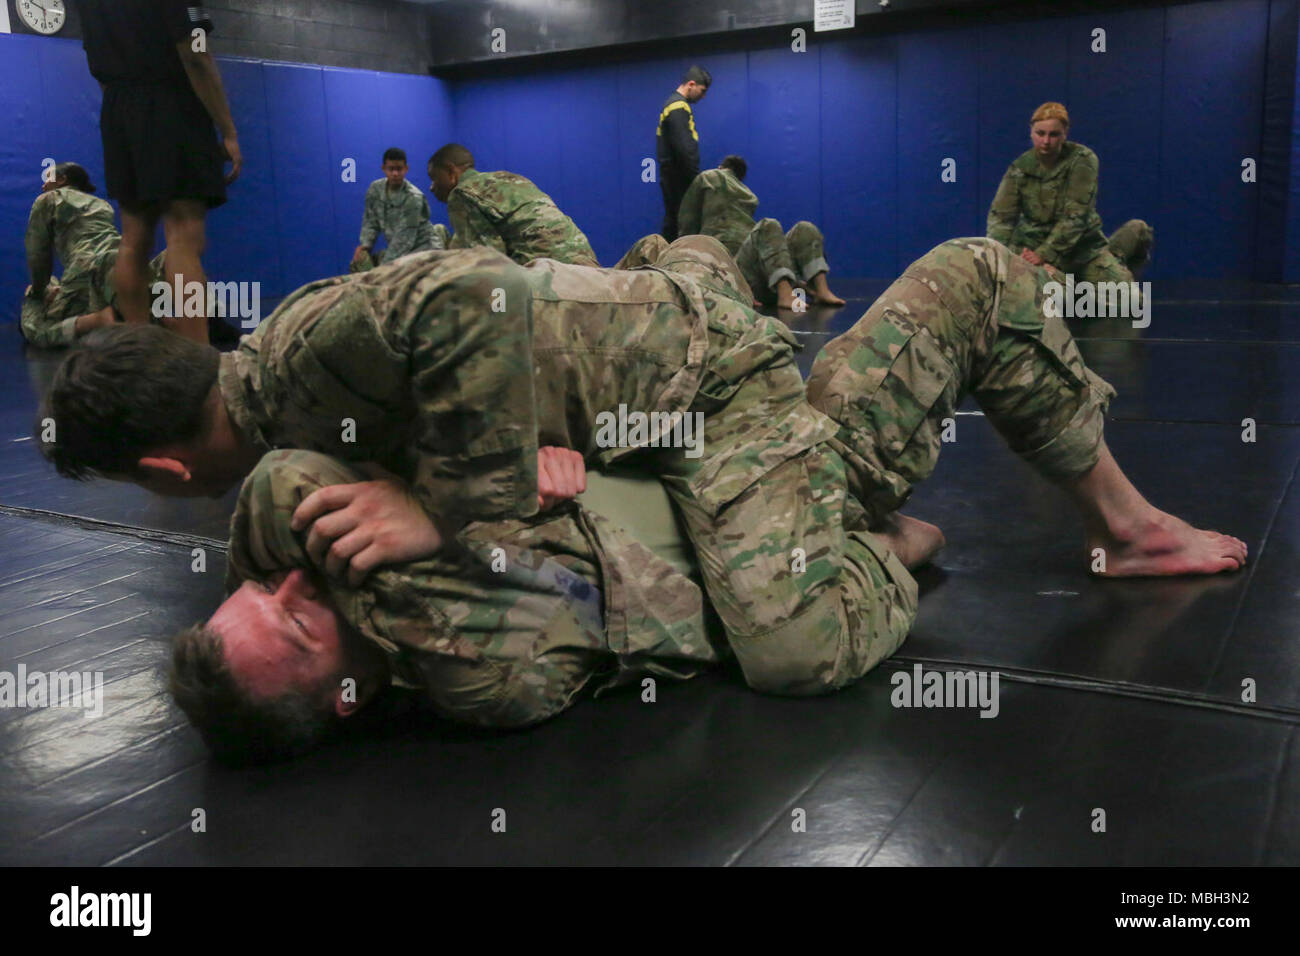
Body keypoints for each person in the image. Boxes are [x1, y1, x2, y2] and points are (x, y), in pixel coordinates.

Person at [41, 237, 1244, 701]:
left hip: (713, 394)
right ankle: (699, 267)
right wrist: (531, 475)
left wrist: (450, 501)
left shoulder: (299, 363)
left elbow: (484, 292)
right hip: (639, 426)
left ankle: (935, 529)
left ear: (159, 464)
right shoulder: (283, 446)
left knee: (790, 645)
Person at [170, 448, 722, 763]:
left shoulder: (348, 567)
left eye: (266, 585)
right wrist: (474, 497)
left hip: (630, 442)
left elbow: (271, 482)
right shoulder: (479, 679)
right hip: (719, 516)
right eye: (296, 622)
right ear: (349, 695)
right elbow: (285, 479)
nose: (298, 579)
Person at [78, 0, 242, 344]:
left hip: (117, 109)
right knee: (185, 236)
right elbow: (196, 50)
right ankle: (198, 357)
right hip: (172, 102)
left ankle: (142, 355)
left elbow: (95, 62)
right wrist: (227, 129)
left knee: (133, 240)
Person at [987, 102, 1153, 286]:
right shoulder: (1019, 168)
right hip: (1032, 251)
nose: (1046, 141)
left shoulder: (1082, 160)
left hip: (1081, 251)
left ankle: (1113, 260)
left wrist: (1044, 254)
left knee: (1125, 299)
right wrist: (999, 259)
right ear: (1031, 132)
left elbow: (1076, 216)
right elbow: (1001, 219)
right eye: (1040, 133)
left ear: (1065, 133)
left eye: (1054, 134)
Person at [677, 154, 844, 309]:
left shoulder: (708, 177)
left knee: (776, 226)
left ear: (721, 167)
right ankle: (818, 289)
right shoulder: (747, 195)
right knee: (802, 228)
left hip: (737, 277)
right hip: (747, 278)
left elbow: (687, 225)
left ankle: (788, 292)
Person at [427, 144, 598, 267]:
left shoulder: (462, 194)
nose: (432, 187)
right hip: (586, 265)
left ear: (451, 172)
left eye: (434, 178)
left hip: (546, 274)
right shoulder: (511, 178)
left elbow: (491, 265)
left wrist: (497, 310)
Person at [21, 163, 123, 347]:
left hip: (86, 267)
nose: (43, 186)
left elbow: (38, 255)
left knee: (38, 330)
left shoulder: (49, 199)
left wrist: (37, 292)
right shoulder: (102, 204)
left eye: (48, 179)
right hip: (123, 263)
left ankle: (98, 320)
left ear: (62, 179)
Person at [351, 148, 440, 273]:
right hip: (399, 252)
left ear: (406, 169)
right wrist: (365, 246)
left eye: (399, 169)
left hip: (424, 251)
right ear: (383, 168)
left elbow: (404, 240)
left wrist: (383, 270)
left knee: (388, 279)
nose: (395, 173)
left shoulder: (413, 197)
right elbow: (370, 221)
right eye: (391, 169)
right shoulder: (375, 190)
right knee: (360, 263)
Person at [657, 65, 711, 241]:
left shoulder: (674, 105)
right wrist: (696, 180)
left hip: (674, 178)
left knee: (674, 223)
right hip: (679, 179)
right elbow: (684, 149)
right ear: (691, 84)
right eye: (702, 91)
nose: (703, 96)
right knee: (680, 227)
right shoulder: (678, 106)